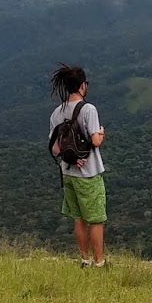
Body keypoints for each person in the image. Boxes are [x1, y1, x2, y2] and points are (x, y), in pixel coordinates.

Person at [49, 64, 107, 267]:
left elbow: (55, 149)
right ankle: (99, 263)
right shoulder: (88, 109)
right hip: (88, 172)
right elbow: (96, 141)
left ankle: (85, 259)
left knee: (78, 218)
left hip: (68, 173)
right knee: (96, 219)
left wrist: (71, 157)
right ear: (82, 86)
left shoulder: (57, 113)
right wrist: (100, 132)